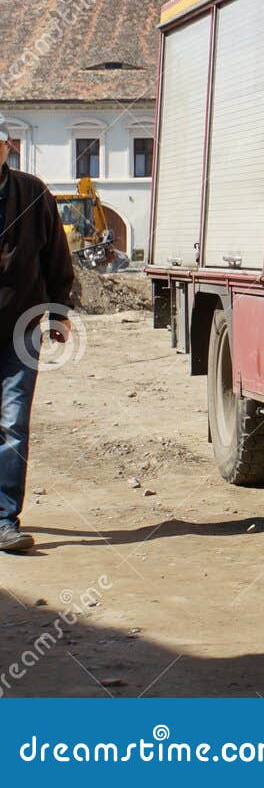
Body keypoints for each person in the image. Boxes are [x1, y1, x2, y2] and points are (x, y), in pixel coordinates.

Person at [0, 119, 76, 553]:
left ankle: (4, 520)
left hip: (21, 329)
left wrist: (58, 312)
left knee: (13, 423)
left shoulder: (32, 194)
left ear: (8, 146)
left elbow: (56, 255)